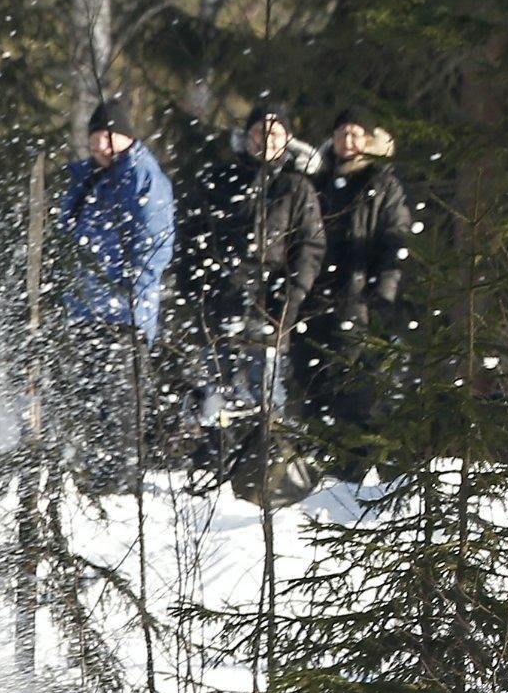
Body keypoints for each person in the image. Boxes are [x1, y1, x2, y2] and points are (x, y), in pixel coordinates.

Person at [174, 102, 325, 438]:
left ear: (287, 140)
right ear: (246, 137)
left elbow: (309, 248)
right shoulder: (218, 179)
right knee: (216, 398)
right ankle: (217, 456)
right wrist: (194, 287)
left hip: (271, 306)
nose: (266, 140)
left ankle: (267, 458)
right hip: (220, 304)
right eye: (259, 132)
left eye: (275, 133)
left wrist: (291, 295)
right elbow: (190, 237)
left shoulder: (297, 188)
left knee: (266, 397)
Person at [56, 95, 178, 488]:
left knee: (119, 405)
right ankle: (98, 477)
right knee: (92, 400)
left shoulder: (141, 176)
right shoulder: (88, 177)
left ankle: (122, 480)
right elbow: (68, 235)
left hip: (123, 313)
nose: (101, 147)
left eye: (108, 138)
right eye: (95, 139)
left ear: (126, 137)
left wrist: (130, 289)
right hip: (86, 308)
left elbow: (155, 242)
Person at [308, 109, 417, 433]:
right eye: (342, 133)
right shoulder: (317, 179)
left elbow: (396, 238)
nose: (348, 140)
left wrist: (384, 290)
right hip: (317, 294)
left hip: (361, 298)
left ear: (369, 140)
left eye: (355, 133)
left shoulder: (383, 183)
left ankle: (352, 449)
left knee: (357, 384)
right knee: (313, 380)